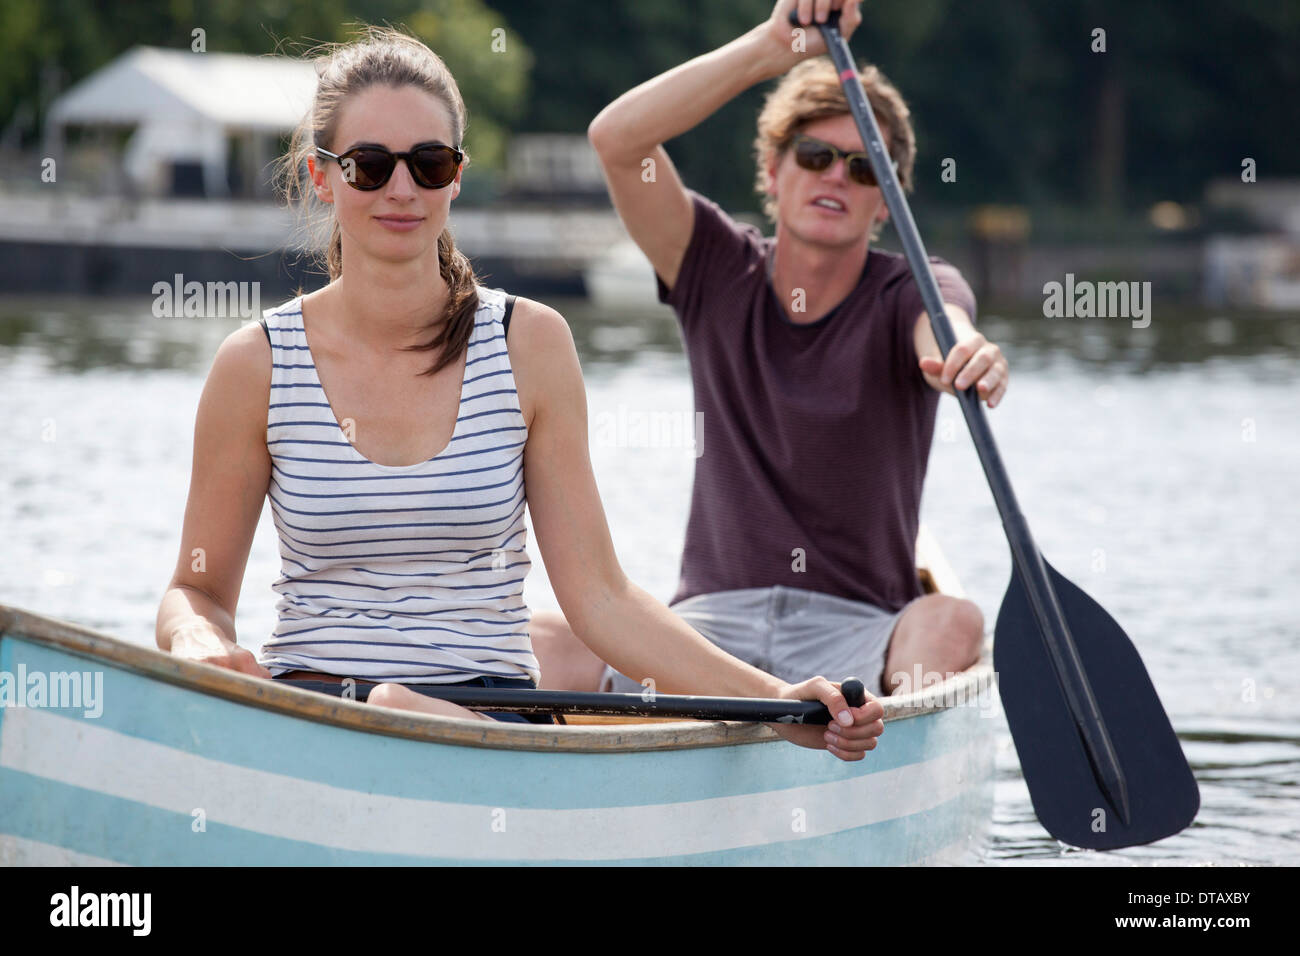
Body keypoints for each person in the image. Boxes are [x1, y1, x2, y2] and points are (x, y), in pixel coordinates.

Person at [153, 25, 882, 760]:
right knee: (382, 711)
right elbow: (199, 591)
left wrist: (777, 700)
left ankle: (413, 720)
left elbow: (599, 598)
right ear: (323, 176)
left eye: (429, 164)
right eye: (370, 166)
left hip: (491, 719)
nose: (402, 189)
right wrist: (194, 637)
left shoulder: (529, 344)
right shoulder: (256, 365)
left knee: (415, 715)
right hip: (313, 709)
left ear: (457, 176)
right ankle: (395, 716)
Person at [533, 0, 1007, 699]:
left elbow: (945, 328)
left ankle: (871, 742)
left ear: (888, 203)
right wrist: (770, 46)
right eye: (815, 156)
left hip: (859, 632)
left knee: (953, 621)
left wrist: (968, 352)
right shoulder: (715, 269)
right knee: (537, 638)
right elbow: (617, 140)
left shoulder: (913, 288)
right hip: (706, 635)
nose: (836, 177)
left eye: (864, 168)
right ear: (773, 170)